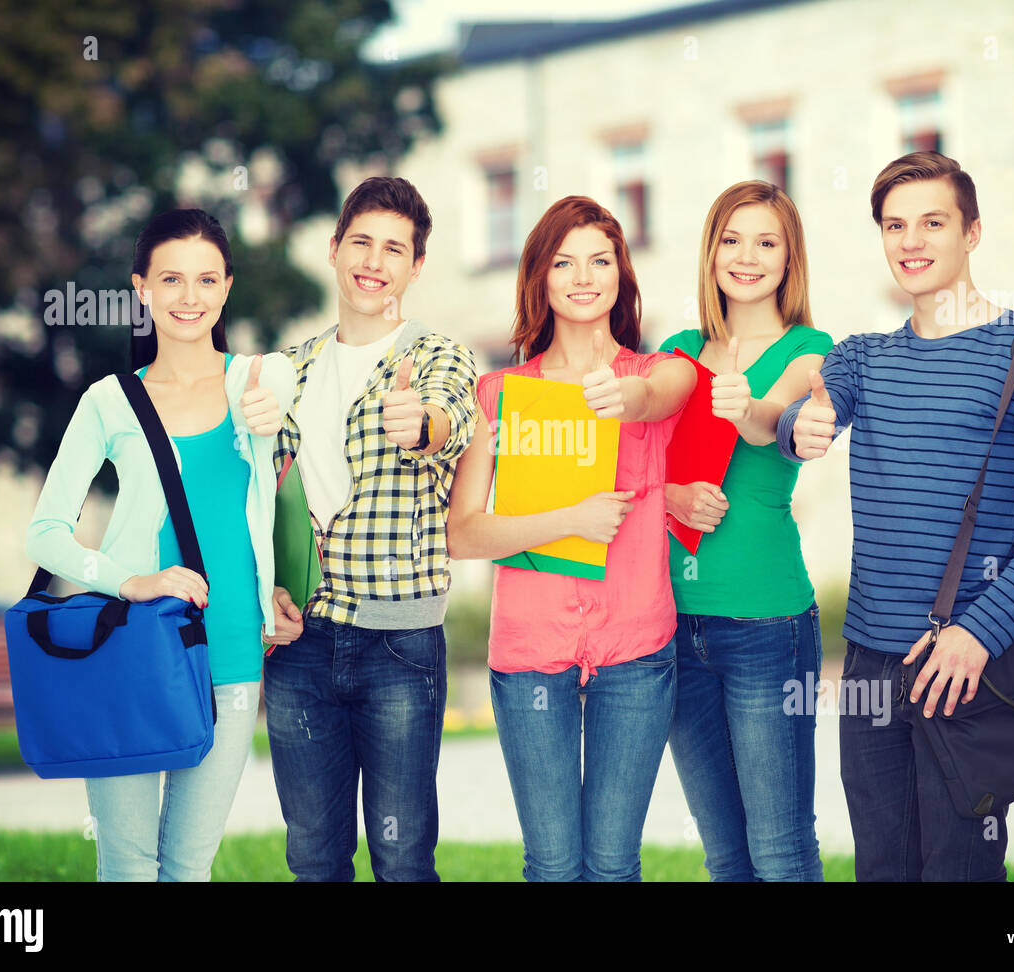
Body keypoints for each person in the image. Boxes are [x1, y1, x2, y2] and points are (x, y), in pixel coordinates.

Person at [778, 152, 1014, 881]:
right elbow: (808, 412)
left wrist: (979, 635)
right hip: (870, 661)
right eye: (895, 225)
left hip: (971, 663)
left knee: (959, 867)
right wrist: (799, 424)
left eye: (932, 221)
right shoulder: (865, 359)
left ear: (972, 232)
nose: (911, 241)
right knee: (882, 867)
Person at [25, 208, 299, 881]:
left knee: (188, 867)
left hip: (233, 650)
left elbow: (287, 386)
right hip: (131, 649)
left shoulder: (259, 382)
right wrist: (130, 581)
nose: (190, 297)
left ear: (228, 288)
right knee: (128, 866)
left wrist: (277, 404)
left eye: (206, 279)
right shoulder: (108, 402)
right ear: (141, 288)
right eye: (171, 279)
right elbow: (46, 532)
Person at [446, 195, 695, 882]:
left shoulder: (656, 379)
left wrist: (627, 398)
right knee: (553, 865)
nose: (584, 276)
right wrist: (570, 520)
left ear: (622, 273)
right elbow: (463, 535)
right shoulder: (498, 395)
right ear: (540, 278)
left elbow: (671, 389)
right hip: (530, 649)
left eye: (600, 259)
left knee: (613, 864)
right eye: (564, 262)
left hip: (637, 647)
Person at [260, 176, 478, 882]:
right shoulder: (287, 369)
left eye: (394, 249)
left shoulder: (438, 355)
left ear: (416, 267)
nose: (374, 260)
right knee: (314, 856)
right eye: (362, 242)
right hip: (300, 646)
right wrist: (266, 593)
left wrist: (421, 423)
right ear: (333, 249)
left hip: (399, 645)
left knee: (402, 856)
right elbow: (259, 499)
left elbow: (451, 419)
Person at [659, 180, 832, 881]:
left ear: (790, 260)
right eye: (732, 239)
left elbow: (776, 425)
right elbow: (635, 473)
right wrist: (671, 494)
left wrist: (746, 406)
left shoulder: (812, 350)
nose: (747, 256)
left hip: (767, 623)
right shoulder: (675, 349)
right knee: (726, 855)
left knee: (781, 850)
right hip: (673, 624)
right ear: (711, 252)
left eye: (767, 242)